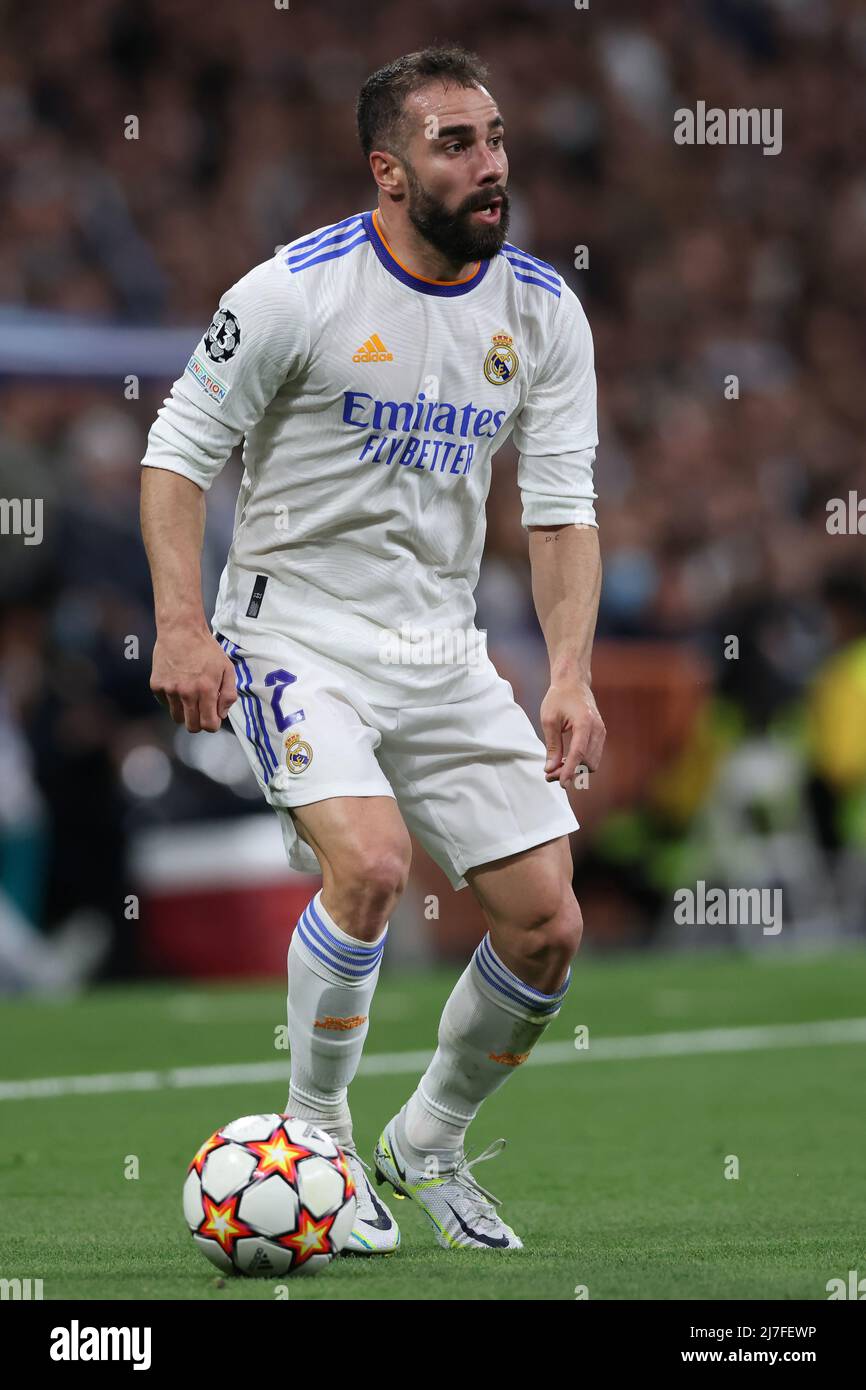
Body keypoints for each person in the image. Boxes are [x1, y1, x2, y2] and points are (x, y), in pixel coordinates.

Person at [140, 44, 605, 1254]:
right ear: (387, 171)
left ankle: (428, 1141)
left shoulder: (543, 312)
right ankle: (319, 1147)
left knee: (546, 922)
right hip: (293, 628)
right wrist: (184, 626)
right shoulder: (293, 293)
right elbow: (176, 454)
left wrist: (565, 672)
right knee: (371, 862)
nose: (490, 164)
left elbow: (558, 508)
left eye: (495, 137)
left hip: (441, 649)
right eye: (456, 144)